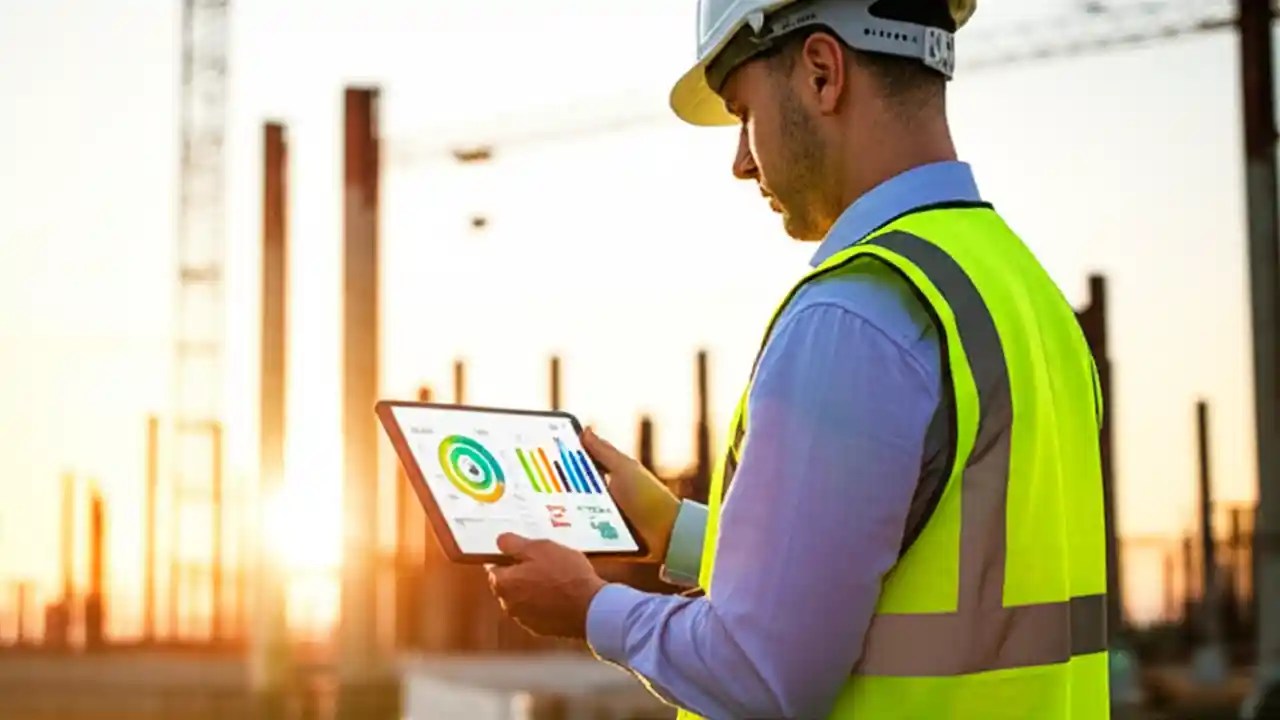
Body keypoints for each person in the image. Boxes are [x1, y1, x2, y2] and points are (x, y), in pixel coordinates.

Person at [487, 0, 1111, 717]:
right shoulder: (1024, 296)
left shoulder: (849, 318)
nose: (741, 161)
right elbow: (925, 574)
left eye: (742, 111)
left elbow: (759, 674)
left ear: (821, 73)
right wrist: (672, 529)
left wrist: (593, 609)